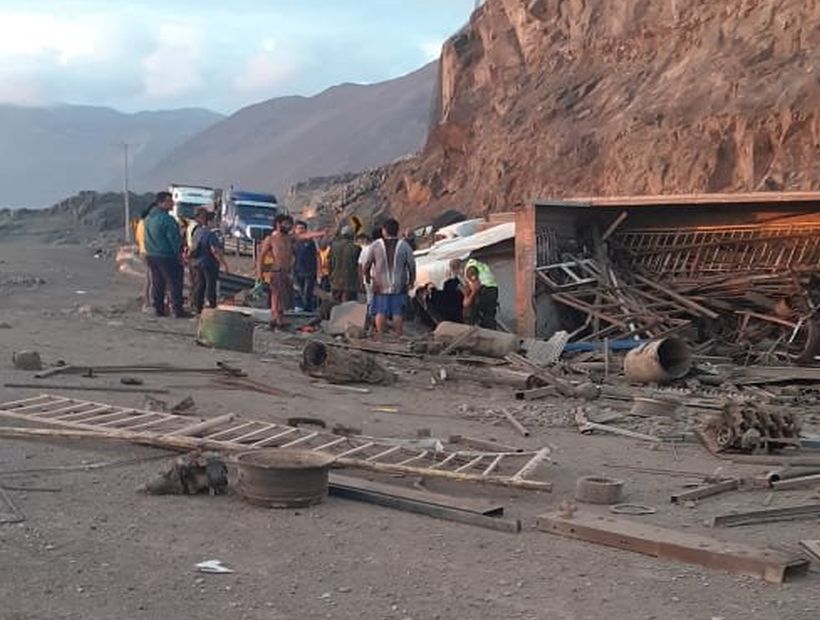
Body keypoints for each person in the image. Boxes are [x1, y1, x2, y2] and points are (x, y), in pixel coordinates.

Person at [362, 218, 416, 337]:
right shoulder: (404, 245)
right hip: (399, 285)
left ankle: (381, 335)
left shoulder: (375, 245)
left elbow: (367, 264)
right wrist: (412, 280)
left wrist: (367, 277)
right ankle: (398, 336)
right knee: (398, 312)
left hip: (380, 285)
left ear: (384, 231)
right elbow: (411, 265)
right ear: (397, 231)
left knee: (381, 311)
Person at [143, 191, 189, 318]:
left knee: (158, 282)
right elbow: (174, 239)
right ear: (161, 203)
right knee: (174, 283)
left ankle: (158, 309)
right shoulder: (167, 219)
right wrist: (179, 254)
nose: (172, 204)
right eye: (169, 201)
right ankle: (177, 310)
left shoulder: (148, 219)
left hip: (151, 254)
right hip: (166, 255)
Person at [256, 214, 295, 329]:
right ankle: (276, 319)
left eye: (289, 224)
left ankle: (277, 319)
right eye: (286, 223)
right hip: (276, 271)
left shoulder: (288, 238)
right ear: (278, 224)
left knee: (284, 297)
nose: (288, 226)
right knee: (276, 296)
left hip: (286, 272)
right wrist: (259, 273)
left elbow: (303, 236)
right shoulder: (271, 239)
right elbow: (261, 256)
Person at [189, 206, 230, 314]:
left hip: (197, 262)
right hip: (209, 263)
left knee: (200, 285)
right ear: (210, 221)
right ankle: (211, 306)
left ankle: (198, 307)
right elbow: (215, 250)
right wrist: (224, 264)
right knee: (210, 285)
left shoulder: (197, 232)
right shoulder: (210, 234)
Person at [453, 257, 499, 329]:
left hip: (485, 291)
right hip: (492, 289)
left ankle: (473, 330)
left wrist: (469, 297)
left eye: (458, 272)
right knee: (489, 315)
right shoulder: (474, 263)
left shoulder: (470, 270)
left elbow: (476, 286)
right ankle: (492, 333)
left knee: (471, 312)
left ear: (459, 268)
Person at [329, 226, 361, 302]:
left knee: (336, 303)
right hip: (351, 280)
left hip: (336, 278)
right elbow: (359, 266)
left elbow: (330, 263)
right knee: (350, 304)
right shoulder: (356, 248)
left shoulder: (333, 246)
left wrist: (330, 275)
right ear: (352, 235)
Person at [292, 221, 318, 312]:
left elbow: (316, 256)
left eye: (303, 228)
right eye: (299, 228)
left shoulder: (310, 242)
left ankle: (307, 309)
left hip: (309, 271)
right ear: (295, 230)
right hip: (297, 270)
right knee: (299, 290)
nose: (301, 230)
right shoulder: (292, 242)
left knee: (308, 292)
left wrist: (318, 271)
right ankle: (299, 307)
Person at [135, 201, 155, 312]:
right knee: (152, 278)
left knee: (148, 278)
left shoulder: (141, 223)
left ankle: (147, 301)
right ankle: (149, 302)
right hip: (150, 252)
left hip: (143, 252)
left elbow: (137, 239)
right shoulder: (149, 223)